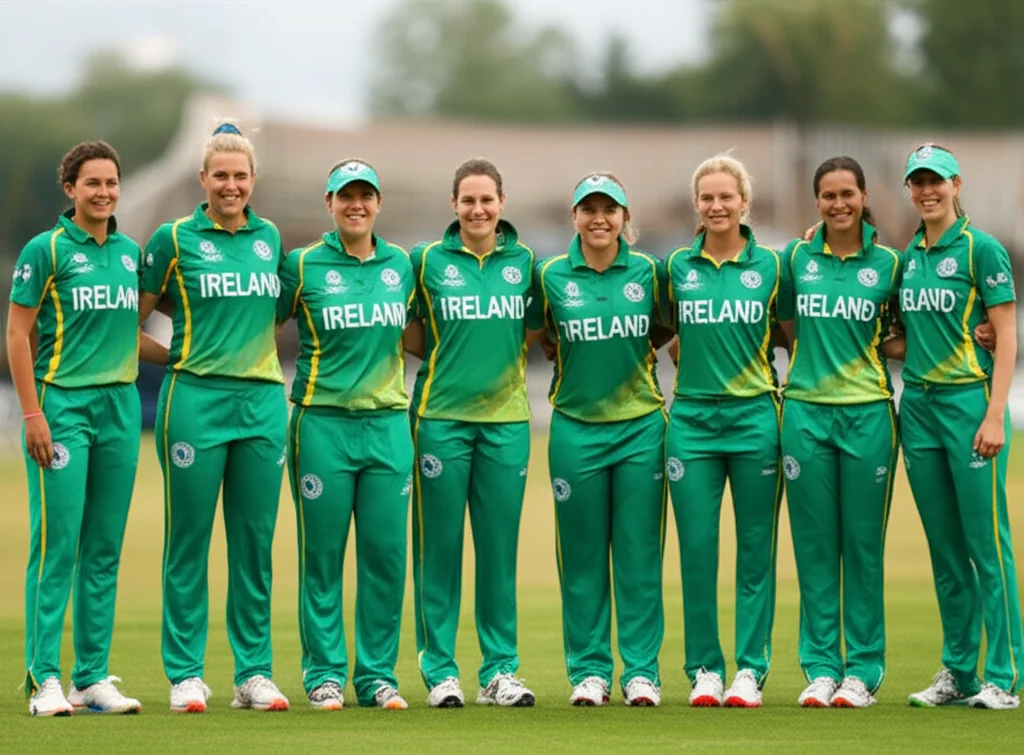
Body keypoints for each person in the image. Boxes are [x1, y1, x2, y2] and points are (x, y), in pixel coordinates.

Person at [8, 141, 166, 716]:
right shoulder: (45, 250)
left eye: (111, 183)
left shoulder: (129, 253)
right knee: (57, 547)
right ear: (70, 189)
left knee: (103, 550)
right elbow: (17, 336)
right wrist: (32, 413)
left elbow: (125, 334)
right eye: (92, 183)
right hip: (63, 408)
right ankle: (42, 678)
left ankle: (91, 677)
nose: (103, 192)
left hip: (120, 409)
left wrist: (182, 357)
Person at [138, 123, 289, 713]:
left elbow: (271, 317)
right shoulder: (172, 238)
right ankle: (186, 675)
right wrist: (176, 354)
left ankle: (253, 674)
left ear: (253, 180)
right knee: (189, 540)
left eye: (240, 176)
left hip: (260, 403)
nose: (231, 185)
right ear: (203, 180)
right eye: (220, 176)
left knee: (254, 544)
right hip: (195, 402)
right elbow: (130, 325)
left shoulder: (269, 237)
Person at [406, 158, 544, 708]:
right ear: (454, 204)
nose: (478, 209)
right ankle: (440, 670)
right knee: (438, 551)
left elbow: (533, 331)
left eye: (487, 200)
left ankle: (499, 672)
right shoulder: (426, 261)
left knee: (497, 552)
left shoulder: (527, 263)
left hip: (508, 423)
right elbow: (409, 332)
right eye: (468, 200)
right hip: (440, 420)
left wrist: (496, 369)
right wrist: (454, 362)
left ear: (502, 203)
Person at [278, 159, 415, 711]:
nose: (355, 204)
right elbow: (260, 326)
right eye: (344, 196)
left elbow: (421, 335)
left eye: (365, 195)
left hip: (387, 424)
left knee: (385, 557)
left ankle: (377, 676)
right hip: (322, 423)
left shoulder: (403, 265)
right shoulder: (303, 264)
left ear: (378, 202)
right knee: (323, 556)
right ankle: (324, 674)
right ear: (328, 203)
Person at [535, 173, 671, 707]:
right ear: (574, 216)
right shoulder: (549, 276)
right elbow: (541, 335)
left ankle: (640, 672)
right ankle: (589, 672)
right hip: (575, 428)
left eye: (609, 209)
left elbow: (663, 329)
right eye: (588, 209)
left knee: (638, 556)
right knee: (584, 556)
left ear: (624, 216)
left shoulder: (650, 273)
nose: (598, 218)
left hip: (640, 428)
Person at [896, 144, 1022, 710]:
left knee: (987, 546)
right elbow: (906, 339)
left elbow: (1007, 336)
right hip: (917, 406)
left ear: (956, 184)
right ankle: (959, 673)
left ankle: (1005, 675)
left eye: (937, 181)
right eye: (918, 182)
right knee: (946, 551)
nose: (927, 191)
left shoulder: (982, 249)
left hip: (969, 406)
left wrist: (996, 414)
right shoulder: (909, 255)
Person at [776, 156, 902, 708]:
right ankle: (822, 668)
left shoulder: (892, 262)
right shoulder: (796, 257)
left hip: (868, 413)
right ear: (816, 201)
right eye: (828, 195)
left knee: (862, 545)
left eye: (847, 193)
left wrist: (977, 335)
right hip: (804, 413)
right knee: (815, 548)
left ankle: (863, 671)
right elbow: (781, 324)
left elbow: (903, 334)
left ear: (864, 194)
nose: (838, 204)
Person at [663, 154, 783, 708]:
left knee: (756, 551)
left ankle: (749, 671)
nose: (716, 206)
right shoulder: (675, 270)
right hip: (690, 423)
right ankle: (705, 670)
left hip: (755, 420)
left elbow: (798, 335)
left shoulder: (775, 267)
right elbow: (653, 332)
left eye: (726, 197)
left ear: (744, 203)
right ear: (697, 204)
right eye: (707, 197)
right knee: (697, 551)